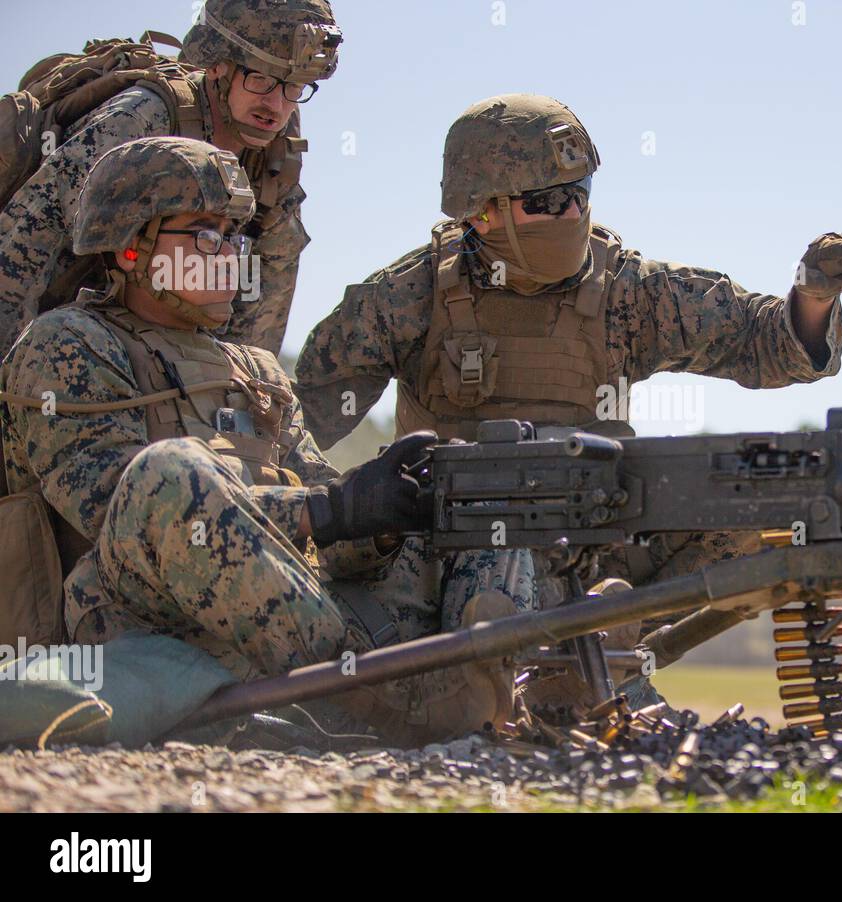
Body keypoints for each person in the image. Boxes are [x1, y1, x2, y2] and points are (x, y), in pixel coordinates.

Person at [294, 94, 842, 708]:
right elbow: (298, 423)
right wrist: (353, 517)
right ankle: (495, 687)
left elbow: (760, 340)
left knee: (751, 498)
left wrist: (813, 296)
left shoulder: (625, 292)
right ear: (480, 211)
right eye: (546, 201)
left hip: (591, 548)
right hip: (450, 553)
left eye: (581, 190)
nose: (572, 211)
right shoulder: (409, 297)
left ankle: (601, 661)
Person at [0, 137, 530, 745]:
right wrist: (324, 511)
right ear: (130, 248)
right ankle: (398, 703)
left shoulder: (257, 371)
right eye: (205, 236)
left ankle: (495, 684)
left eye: (236, 237)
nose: (230, 255)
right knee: (168, 473)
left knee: (476, 487)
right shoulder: (67, 344)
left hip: (287, 616)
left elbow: (330, 534)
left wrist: (378, 512)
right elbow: (121, 512)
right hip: (135, 623)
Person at [0, 0, 343, 356]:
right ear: (216, 65)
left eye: (294, 87)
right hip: (54, 337)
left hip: (146, 345)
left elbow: (266, 290)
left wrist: (245, 392)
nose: (276, 106)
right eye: (260, 79)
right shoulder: (139, 120)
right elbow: (20, 252)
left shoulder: (274, 156)